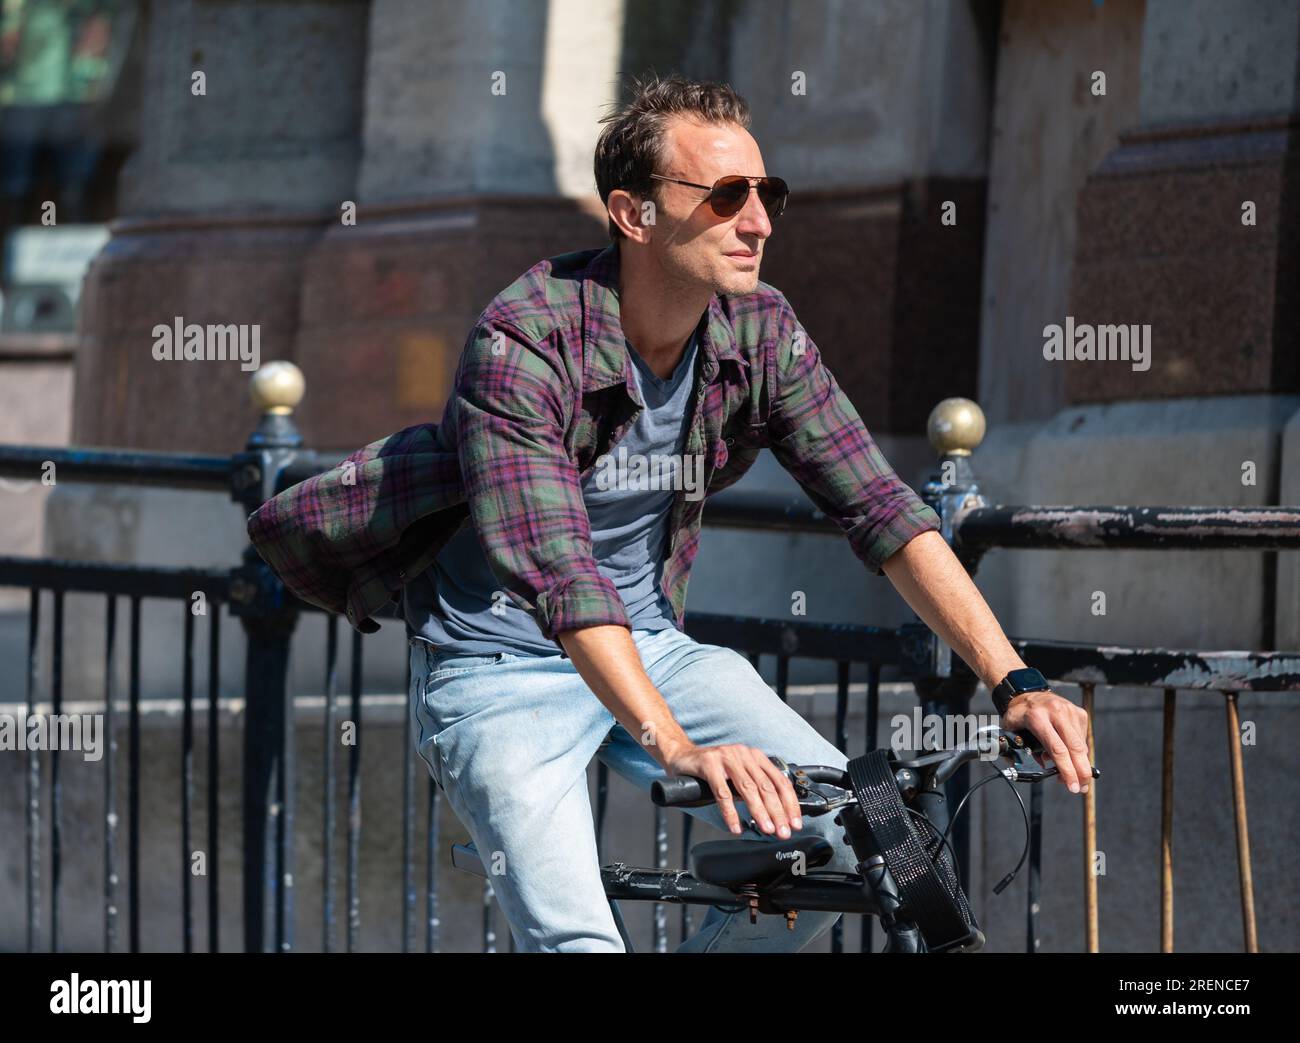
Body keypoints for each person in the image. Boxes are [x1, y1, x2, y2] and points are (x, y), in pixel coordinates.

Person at [403, 73, 1091, 953]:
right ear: (634, 214)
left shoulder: (759, 330)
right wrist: (677, 744)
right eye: (726, 196)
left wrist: (1013, 678)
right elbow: (562, 575)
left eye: (768, 194)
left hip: (648, 641)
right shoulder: (526, 337)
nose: (759, 221)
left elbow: (880, 506)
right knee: (581, 942)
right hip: (496, 662)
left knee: (862, 833)